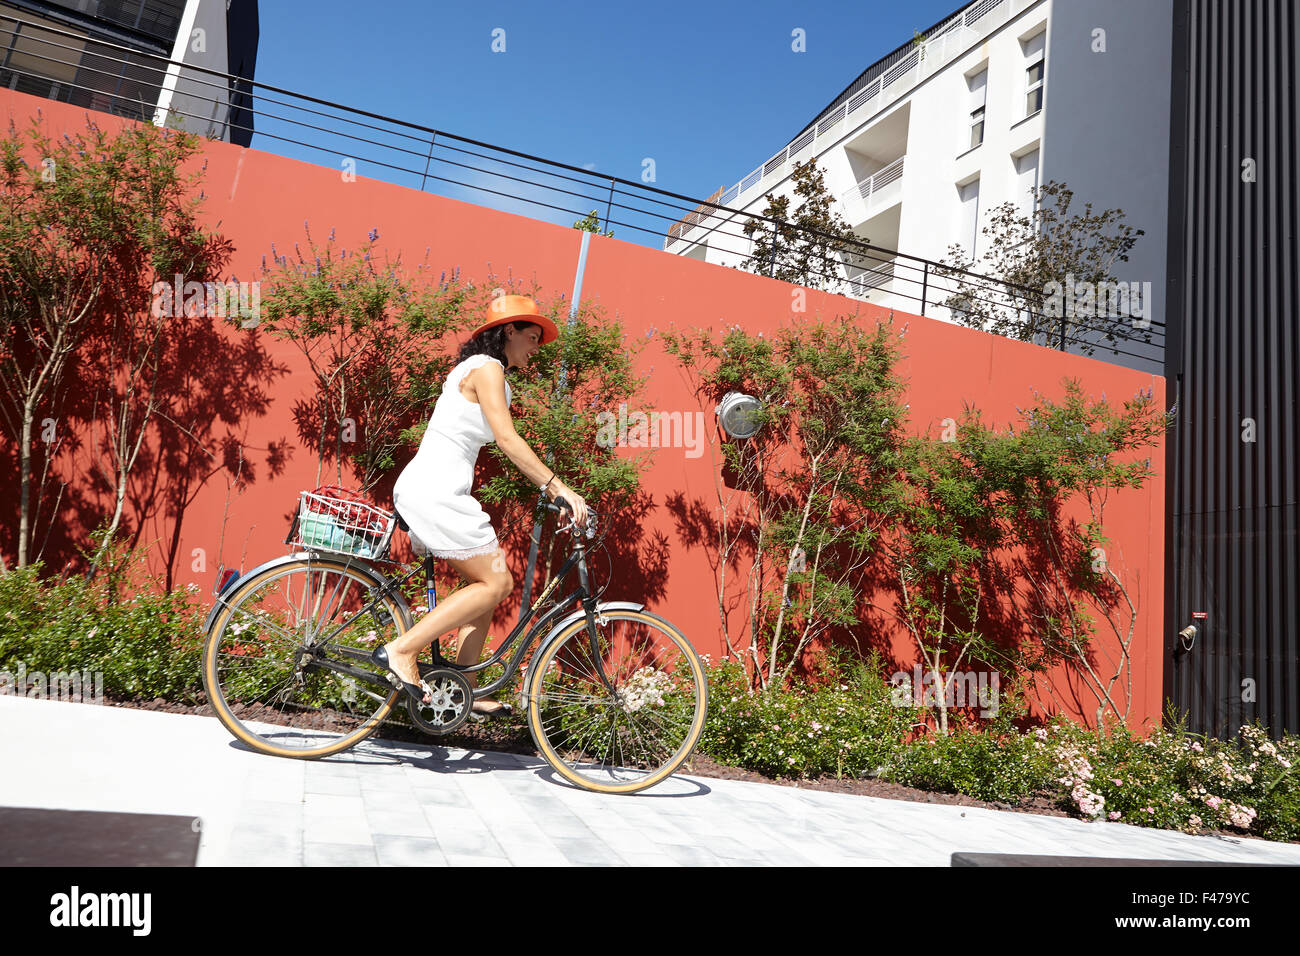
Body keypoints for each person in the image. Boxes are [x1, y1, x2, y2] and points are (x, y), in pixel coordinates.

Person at [373, 294, 589, 715]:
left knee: (487, 587)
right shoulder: (486, 369)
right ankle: (402, 650)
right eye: (531, 337)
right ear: (507, 331)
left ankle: (463, 689)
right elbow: (507, 440)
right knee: (498, 584)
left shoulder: (487, 375)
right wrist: (557, 488)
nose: (535, 347)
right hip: (434, 490)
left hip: (444, 490)